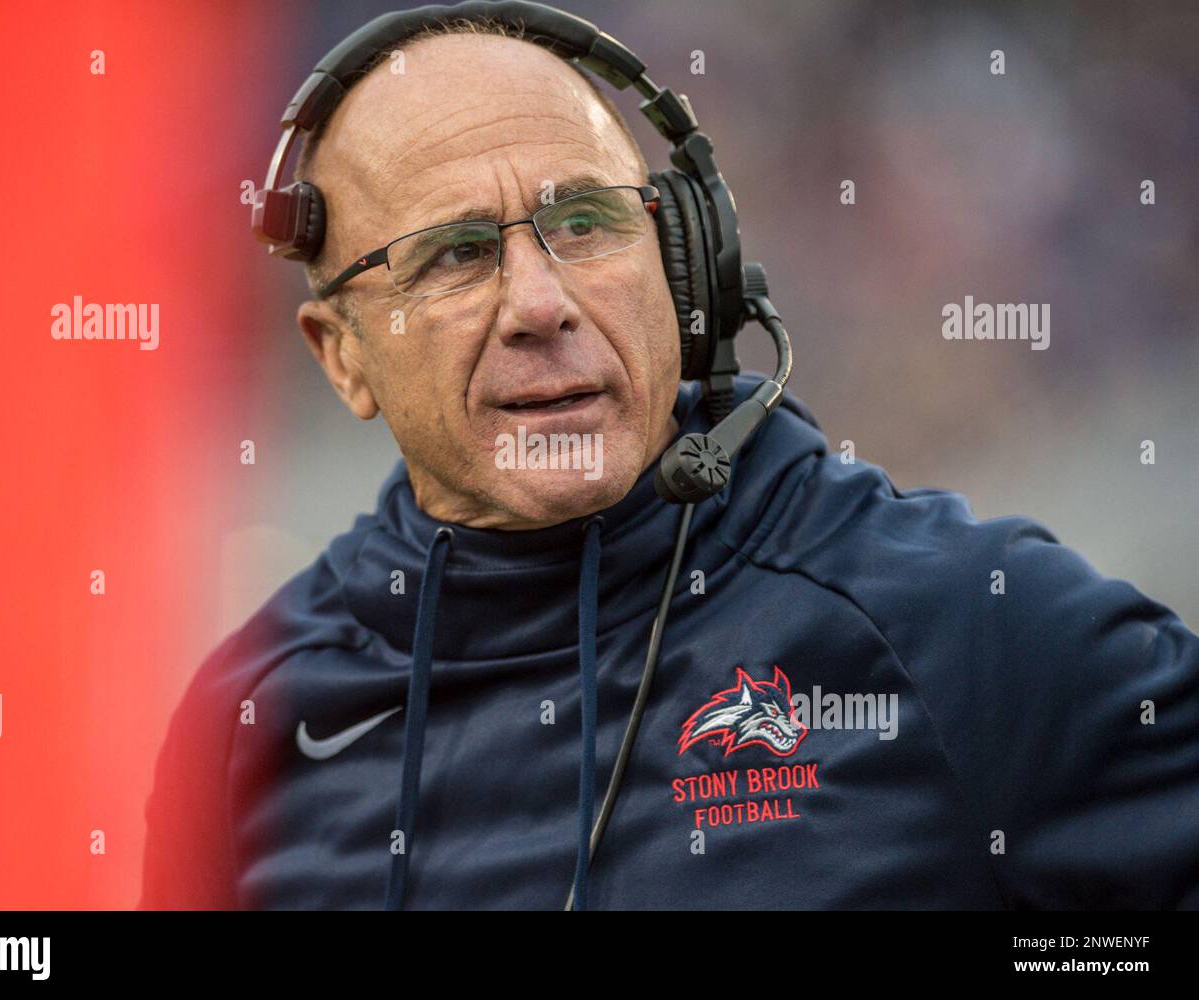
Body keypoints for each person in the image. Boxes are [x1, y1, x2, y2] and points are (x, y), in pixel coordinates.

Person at [139, 12, 1199, 910]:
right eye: (456, 254)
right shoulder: (250, 720)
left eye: (586, 222)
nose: (541, 304)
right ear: (343, 358)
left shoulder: (965, 623)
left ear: (688, 270)